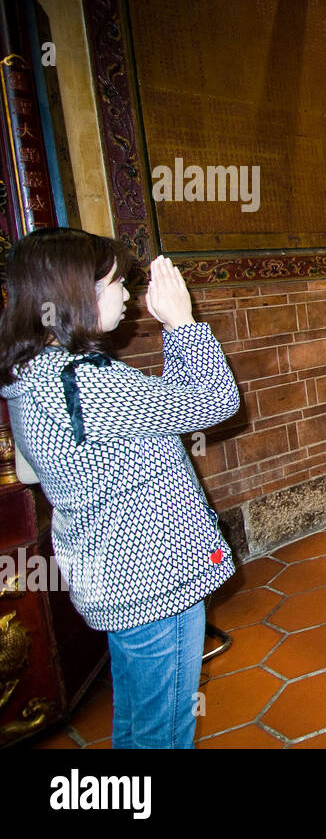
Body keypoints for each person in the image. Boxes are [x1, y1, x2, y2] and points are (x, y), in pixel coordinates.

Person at [0, 228, 240, 748]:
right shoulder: (85, 380)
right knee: (163, 731)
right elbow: (215, 401)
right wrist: (182, 324)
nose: (127, 295)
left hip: (109, 573)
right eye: (114, 283)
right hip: (153, 580)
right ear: (74, 293)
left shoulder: (30, 373)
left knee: (136, 716)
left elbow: (30, 470)